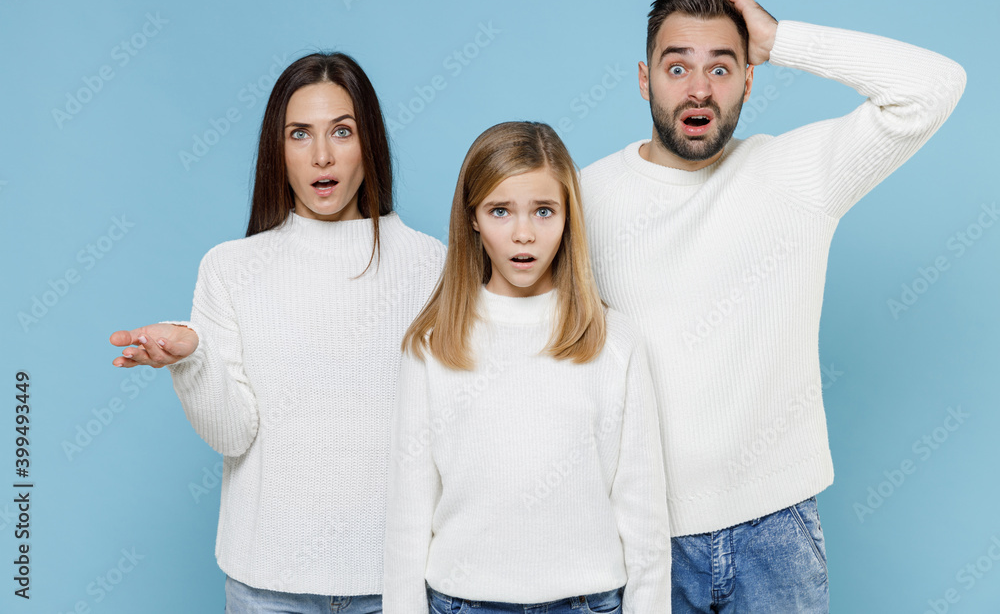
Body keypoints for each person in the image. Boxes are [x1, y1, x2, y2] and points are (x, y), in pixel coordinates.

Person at [578, 0, 966, 612]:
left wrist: (783, 40)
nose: (699, 90)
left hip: (776, 537)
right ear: (644, 80)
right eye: (677, 68)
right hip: (639, 535)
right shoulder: (583, 199)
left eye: (721, 68)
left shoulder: (797, 174)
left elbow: (933, 87)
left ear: (749, 81)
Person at [108, 52, 446, 613]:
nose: (321, 155)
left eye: (342, 131)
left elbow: (452, 431)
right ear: (277, 149)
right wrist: (193, 358)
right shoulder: (230, 268)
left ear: (370, 142)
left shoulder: (430, 266)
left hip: (398, 587)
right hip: (267, 588)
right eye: (300, 134)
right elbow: (232, 436)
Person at [381, 121, 671, 614]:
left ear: (568, 216)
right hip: (463, 602)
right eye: (500, 211)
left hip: (586, 603)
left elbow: (643, 515)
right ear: (472, 217)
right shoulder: (432, 345)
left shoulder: (614, 341)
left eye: (543, 211)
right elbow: (408, 514)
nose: (523, 234)